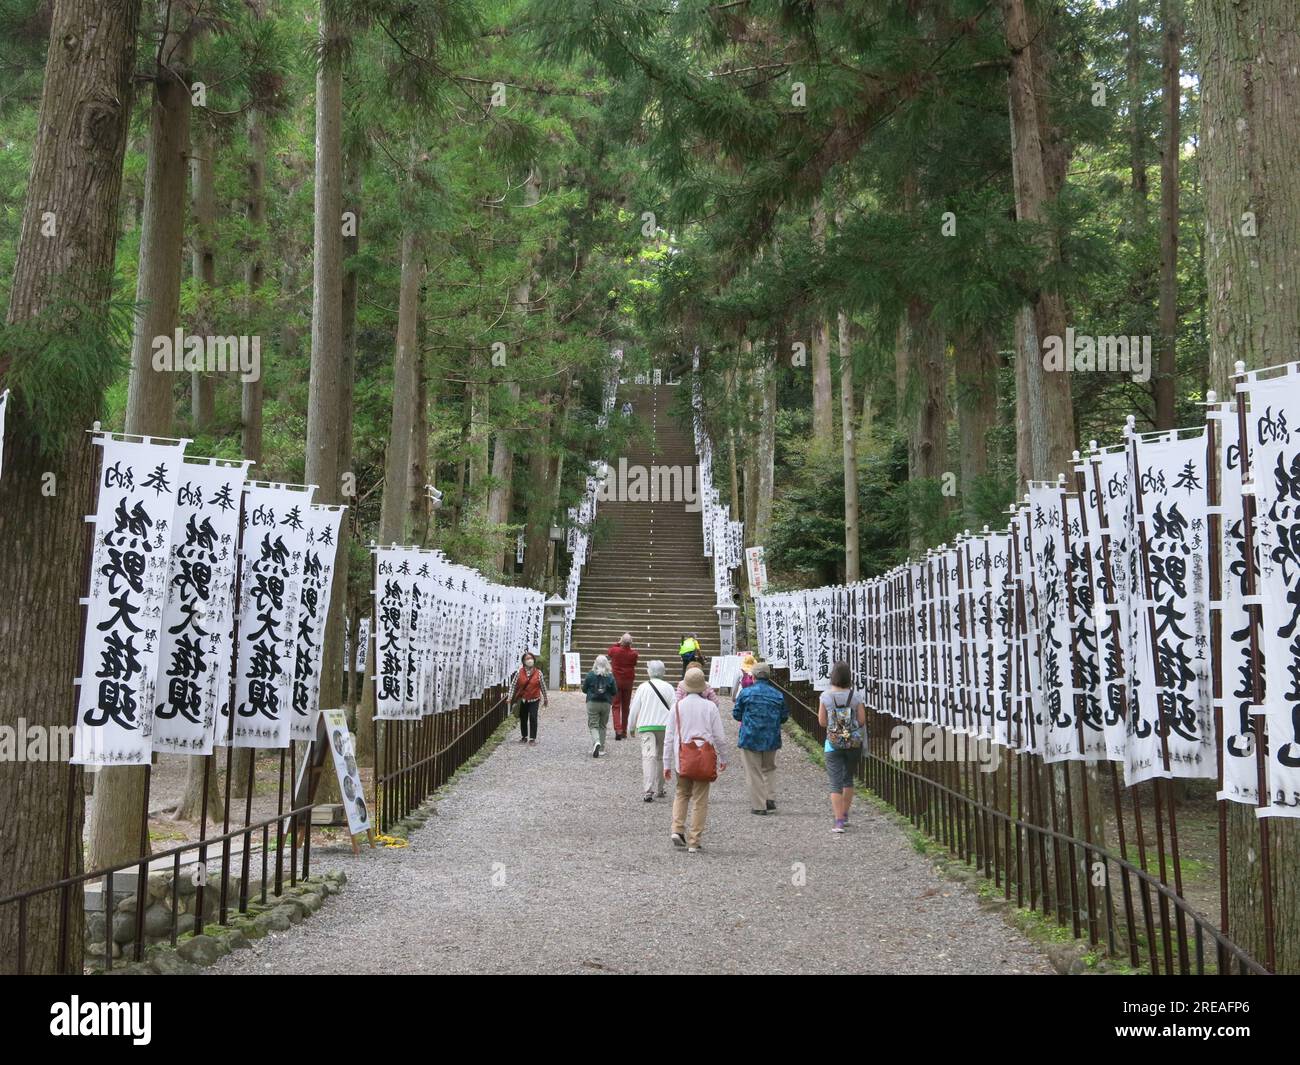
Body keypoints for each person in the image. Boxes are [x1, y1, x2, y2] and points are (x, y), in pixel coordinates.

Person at [663, 667, 728, 853]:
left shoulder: (677, 707)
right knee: (700, 799)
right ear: (702, 687)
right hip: (704, 758)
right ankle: (694, 841)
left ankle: (677, 829)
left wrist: (666, 764)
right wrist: (723, 757)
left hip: (682, 758)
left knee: (682, 793)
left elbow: (669, 737)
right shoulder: (710, 707)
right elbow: (719, 737)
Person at [732, 661, 788, 815]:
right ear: (768, 677)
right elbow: (784, 717)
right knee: (769, 768)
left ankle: (759, 805)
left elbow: (736, 714)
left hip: (750, 737)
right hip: (771, 737)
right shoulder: (778, 694)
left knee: (753, 771)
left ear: (754, 676)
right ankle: (769, 798)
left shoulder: (746, 693)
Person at [818, 661, 867, 833]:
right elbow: (861, 720)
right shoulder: (856, 696)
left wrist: (835, 727)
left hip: (832, 744)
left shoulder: (825, 696)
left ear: (833, 676)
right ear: (849, 677)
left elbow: (822, 721)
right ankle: (845, 815)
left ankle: (838, 821)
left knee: (835, 783)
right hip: (853, 743)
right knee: (848, 779)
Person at [626, 660, 675, 802]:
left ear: (649, 672)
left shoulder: (643, 687)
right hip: (665, 727)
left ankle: (648, 790)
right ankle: (660, 788)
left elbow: (634, 708)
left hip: (646, 727)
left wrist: (631, 726)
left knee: (648, 757)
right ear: (663, 672)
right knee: (661, 757)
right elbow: (674, 708)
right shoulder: (669, 687)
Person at [581, 654, 618, 757]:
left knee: (593, 725)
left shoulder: (590, 675)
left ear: (595, 663)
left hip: (592, 702)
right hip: (606, 703)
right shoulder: (610, 676)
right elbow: (614, 691)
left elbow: (584, 689)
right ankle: (601, 749)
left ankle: (596, 741)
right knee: (602, 725)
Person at [507, 651, 547, 746]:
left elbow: (542, 686)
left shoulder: (538, 673)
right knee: (523, 718)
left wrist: (545, 698)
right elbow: (513, 685)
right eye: (527, 659)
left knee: (533, 717)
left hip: (534, 699)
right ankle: (524, 736)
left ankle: (532, 738)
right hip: (523, 699)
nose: (529, 660)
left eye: (531, 658)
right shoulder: (519, 672)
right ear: (524, 661)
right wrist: (509, 697)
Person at [607, 632, 639, 740]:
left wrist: (618, 643)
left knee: (616, 705)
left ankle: (618, 729)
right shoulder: (634, 654)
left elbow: (609, 652)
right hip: (628, 681)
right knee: (626, 706)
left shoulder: (615, 650)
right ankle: (624, 731)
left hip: (616, 680)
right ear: (631, 643)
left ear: (621, 641)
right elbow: (634, 664)